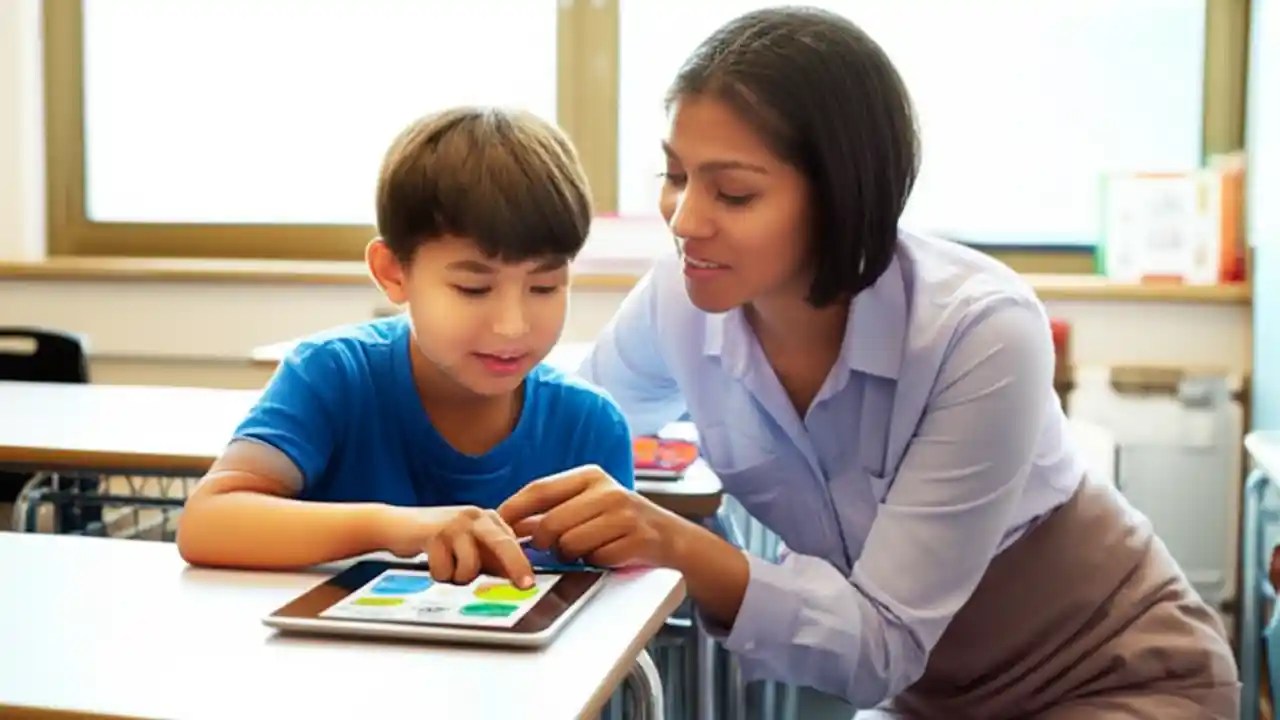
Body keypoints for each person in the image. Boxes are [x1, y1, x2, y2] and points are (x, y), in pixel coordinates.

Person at [497, 7, 1240, 717]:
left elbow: (881, 644)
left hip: (1114, 680)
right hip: (924, 698)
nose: (686, 220)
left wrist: (676, 544)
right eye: (675, 176)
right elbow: (564, 424)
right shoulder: (680, 299)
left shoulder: (980, 331)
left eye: (734, 192)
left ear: (842, 194)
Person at [177, 107, 635, 590]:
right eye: (472, 289)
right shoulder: (334, 375)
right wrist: (400, 528)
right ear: (394, 273)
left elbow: (616, 617)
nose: (511, 325)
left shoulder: (589, 426)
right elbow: (208, 522)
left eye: (544, 287)